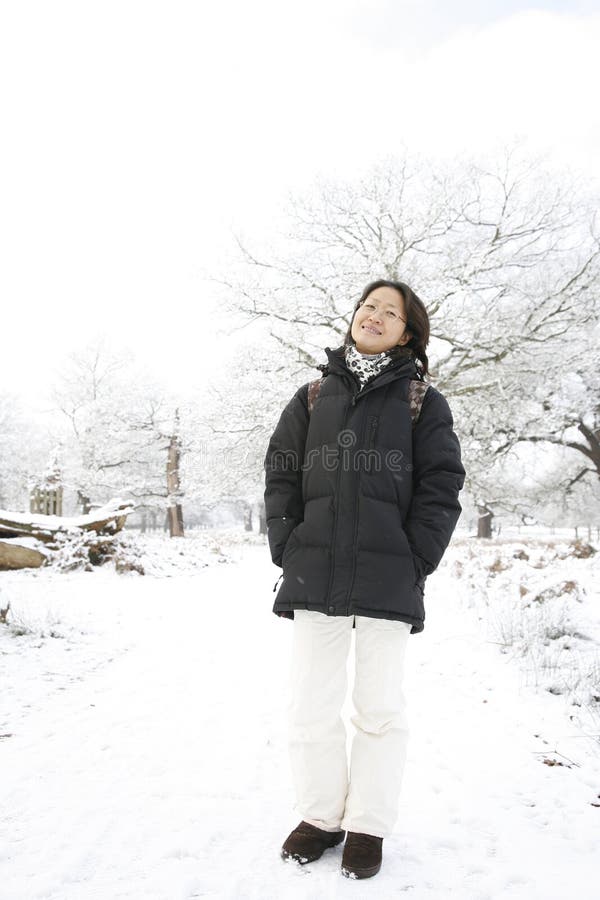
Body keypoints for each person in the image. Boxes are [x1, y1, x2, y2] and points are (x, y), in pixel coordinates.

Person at [263, 278, 466, 879]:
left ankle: (367, 825)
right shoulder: (312, 394)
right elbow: (281, 471)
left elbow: (442, 483)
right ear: (354, 316)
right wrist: (288, 546)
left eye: (390, 312)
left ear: (409, 331)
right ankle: (321, 817)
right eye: (368, 306)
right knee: (309, 705)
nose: (374, 316)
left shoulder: (422, 401)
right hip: (315, 572)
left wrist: (415, 557)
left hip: (387, 576)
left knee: (379, 709)